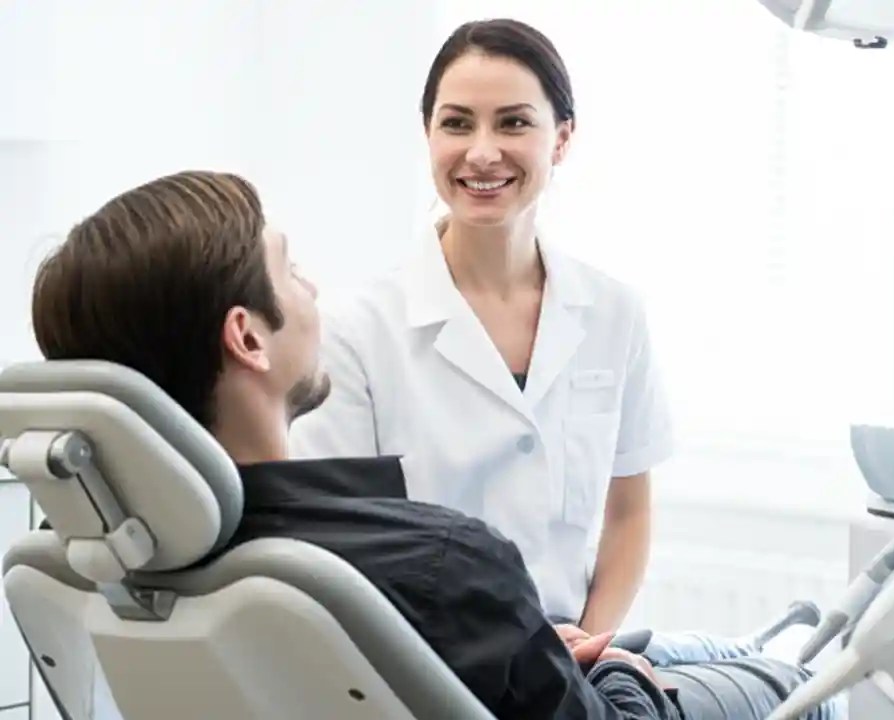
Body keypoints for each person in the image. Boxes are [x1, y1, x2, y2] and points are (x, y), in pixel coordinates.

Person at [27, 170, 839, 719]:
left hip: (517, 649)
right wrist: (615, 672)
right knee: (821, 677)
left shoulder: (126, 570)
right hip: (603, 692)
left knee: (713, 643)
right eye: (291, 266)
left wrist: (527, 642)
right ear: (247, 337)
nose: (312, 287)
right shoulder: (438, 560)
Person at [288, 18, 668, 633]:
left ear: (562, 138)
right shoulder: (356, 331)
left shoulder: (614, 312)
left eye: (514, 122)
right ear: (428, 135)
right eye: (457, 123)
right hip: (425, 669)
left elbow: (628, 514)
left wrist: (585, 651)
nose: (482, 151)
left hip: (576, 660)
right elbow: (341, 550)